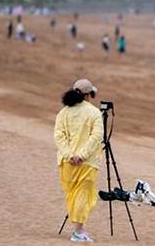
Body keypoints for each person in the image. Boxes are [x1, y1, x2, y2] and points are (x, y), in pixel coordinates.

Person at [54, 79, 103, 243]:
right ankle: (78, 231)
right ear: (89, 94)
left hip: (66, 163)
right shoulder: (95, 113)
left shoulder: (63, 112)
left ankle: (77, 229)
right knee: (83, 195)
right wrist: (81, 156)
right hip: (86, 163)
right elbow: (96, 138)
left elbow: (59, 137)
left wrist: (69, 155)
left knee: (72, 195)